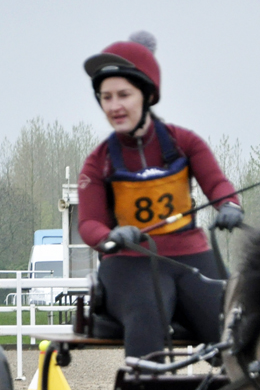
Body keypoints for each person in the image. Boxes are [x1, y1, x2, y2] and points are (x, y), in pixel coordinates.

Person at [78, 31, 244, 357]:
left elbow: (217, 185)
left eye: (123, 95)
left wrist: (230, 205)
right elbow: (88, 224)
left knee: (232, 324)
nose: (114, 106)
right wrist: (111, 235)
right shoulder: (98, 162)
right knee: (147, 312)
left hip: (192, 256)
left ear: (147, 95)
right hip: (128, 264)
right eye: (106, 97)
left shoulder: (186, 143)